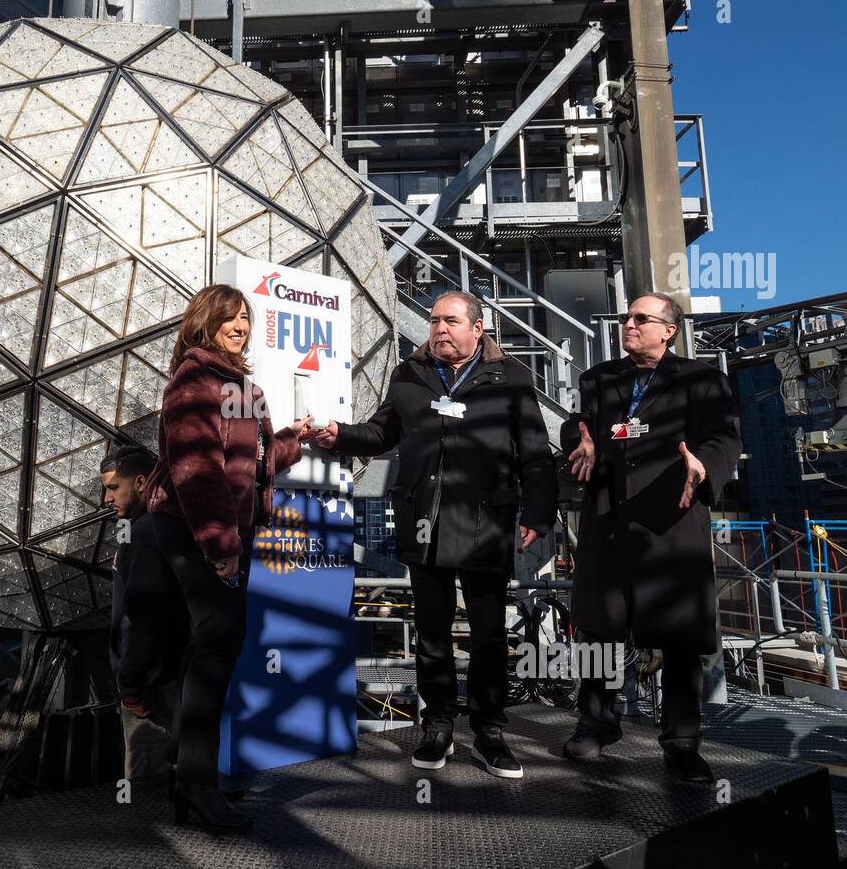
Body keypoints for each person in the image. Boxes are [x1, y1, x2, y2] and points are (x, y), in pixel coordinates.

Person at [312, 290, 557, 777]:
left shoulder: (508, 378)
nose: (439, 329)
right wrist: (337, 433)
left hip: (487, 526)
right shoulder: (411, 375)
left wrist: (539, 514)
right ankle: (437, 725)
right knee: (431, 634)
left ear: (477, 328)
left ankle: (489, 734)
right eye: (433, 321)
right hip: (424, 524)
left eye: (450, 321)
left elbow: (535, 452)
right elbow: (382, 433)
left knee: (488, 636)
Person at [142, 284, 310, 831]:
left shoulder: (240, 385)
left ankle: (191, 775)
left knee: (208, 655)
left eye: (245, 317)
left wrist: (292, 439)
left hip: (223, 534)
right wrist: (220, 546)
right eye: (229, 317)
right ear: (205, 322)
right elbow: (197, 467)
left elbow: (250, 463)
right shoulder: (197, 378)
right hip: (196, 534)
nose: (240, 324)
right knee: (212, 654)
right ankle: (195, 783)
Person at [560, 292, 741, 782]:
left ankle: (682, 742)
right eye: (627, 317)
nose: (630, 324)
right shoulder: (599, 380)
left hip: (671, 520)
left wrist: (705, 467)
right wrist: (578, 441)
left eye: (642, 318)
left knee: (679, 636)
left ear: (669, 330)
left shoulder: (702, 381)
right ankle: (596, 724)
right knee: (598, 627)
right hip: (609, 520)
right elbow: (577, 428)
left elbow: (724, 438)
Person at [101, 444, 187, 782]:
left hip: (150, 684)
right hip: (162, 675)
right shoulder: (157, 527)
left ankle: (149, 833)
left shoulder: (144, 536)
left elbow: (143, 617)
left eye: (112, 488)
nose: (106, 498)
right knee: (166, 773)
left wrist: (130, 681)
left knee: (145, 782)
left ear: (140, 483)